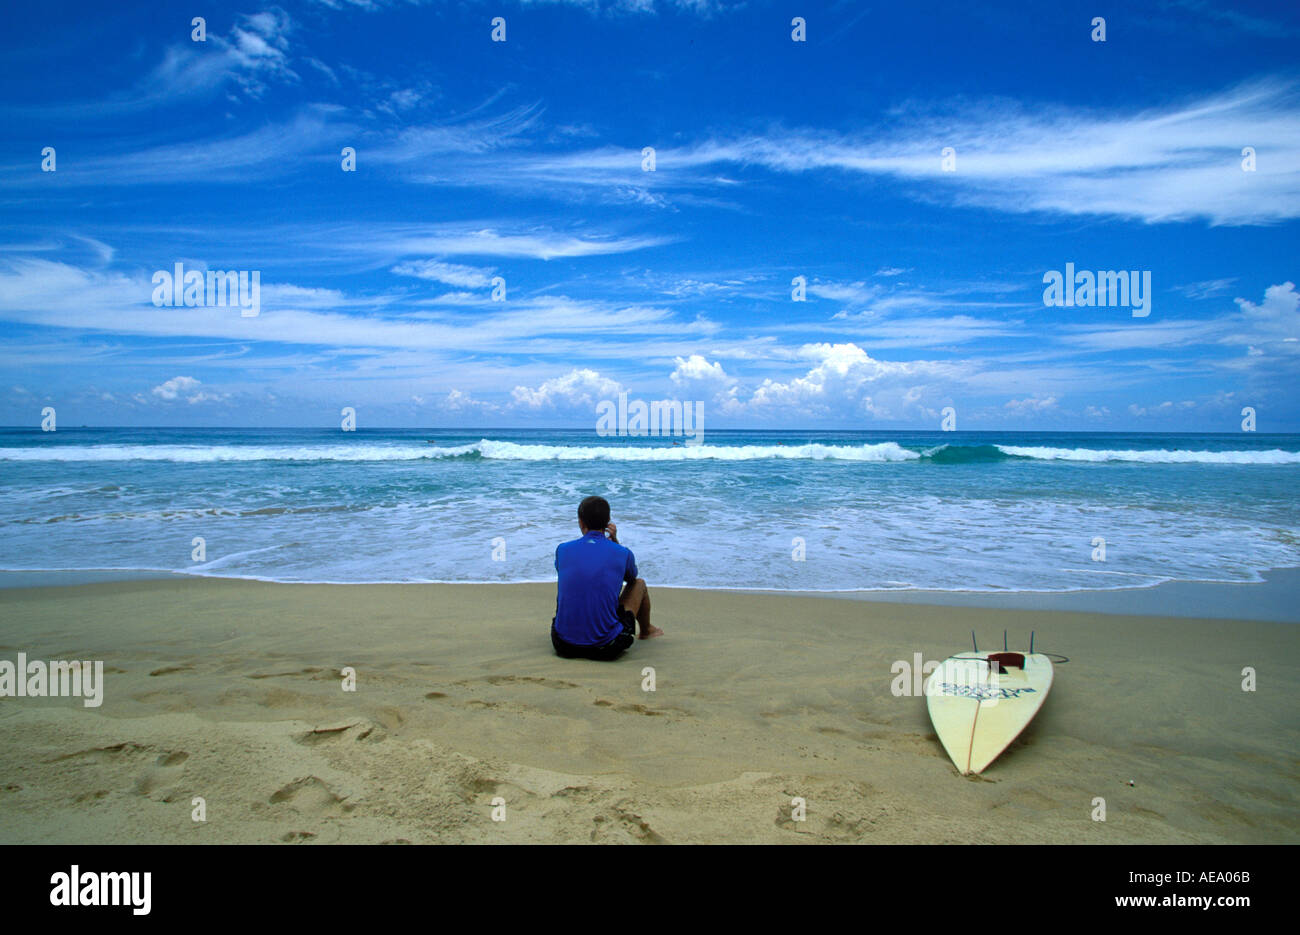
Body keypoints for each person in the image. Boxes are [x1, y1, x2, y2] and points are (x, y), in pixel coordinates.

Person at [551, 496, 661, 660]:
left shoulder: (562, 550)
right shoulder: (622, 553)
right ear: (608, 522)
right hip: (606, 647)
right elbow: (631, 579)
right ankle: (646, 631)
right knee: (639, 584)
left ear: (581, 522)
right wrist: (615, 542)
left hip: (563, 645)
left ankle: (574, 629)